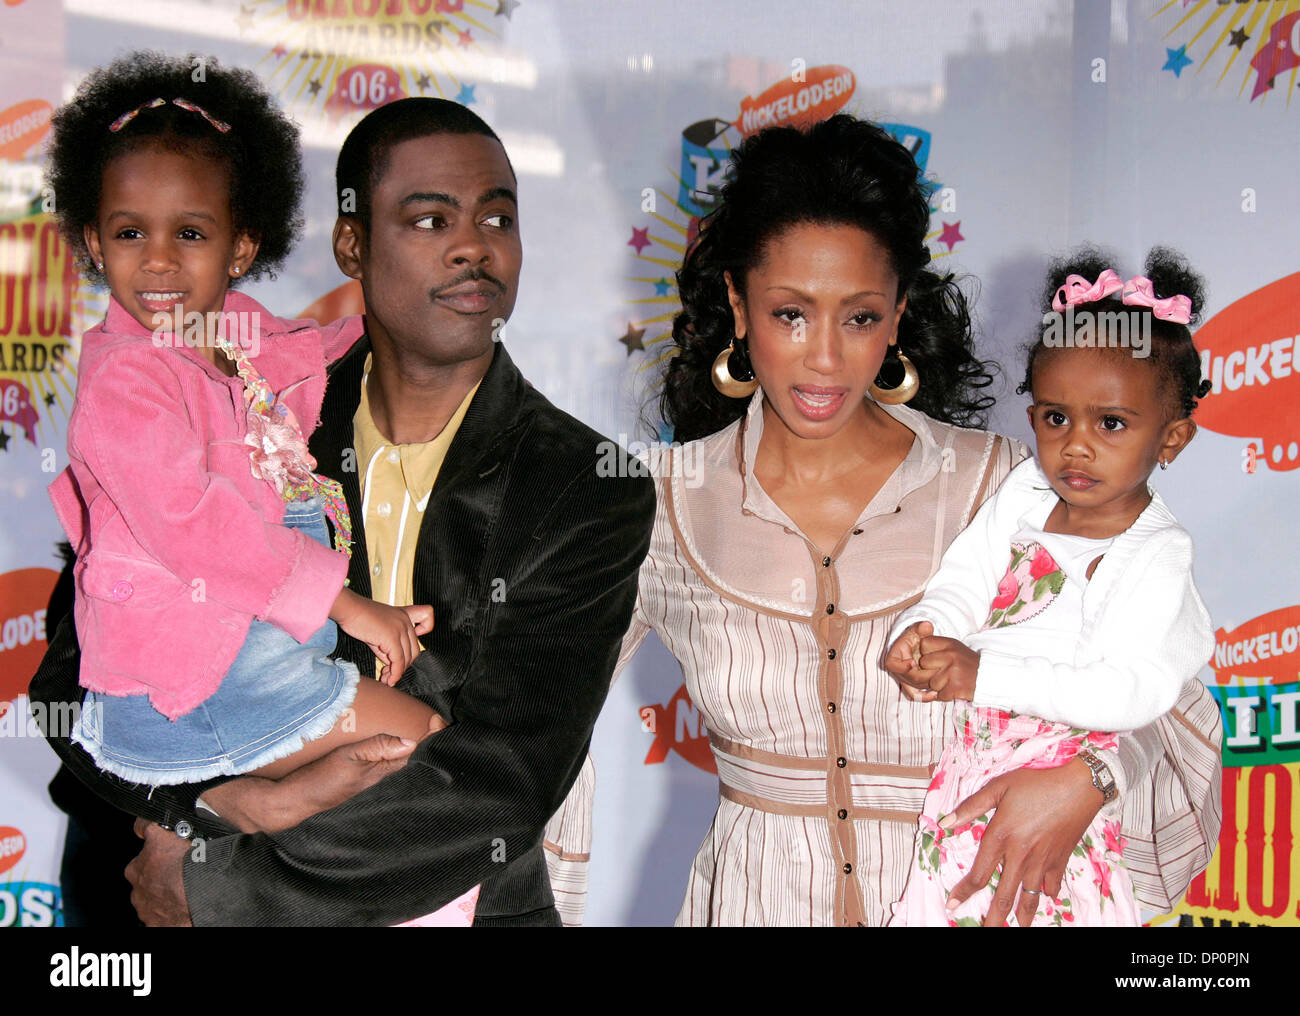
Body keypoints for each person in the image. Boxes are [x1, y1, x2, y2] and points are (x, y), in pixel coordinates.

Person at [544, 115, 1222, 927]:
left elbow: (1174, 698)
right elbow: (536, 714)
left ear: (898, 313)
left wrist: (1092, 779)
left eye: (860, 317)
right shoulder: (660, 502)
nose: (825, 358)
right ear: (737, 302)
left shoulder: (1010, 487)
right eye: (790, 313)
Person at [29, 94, 656, 926]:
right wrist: (224, 801)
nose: (473, 246)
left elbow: (504, 780)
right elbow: (71, 681)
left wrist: (227, 885)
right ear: (352, 243)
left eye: (497, 219)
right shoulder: (248, 406)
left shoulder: (587, 486)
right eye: (431, 220)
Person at [46, 53, 443, 792]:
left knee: (415, 765)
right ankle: (263, 806)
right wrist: (351, 607)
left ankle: (259, 811)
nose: (159, 261)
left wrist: (401, 318)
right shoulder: (125, 378)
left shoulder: (237, 334)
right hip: (192, 683)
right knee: (428, 751)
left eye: (190, 234)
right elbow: (195, 527)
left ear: (241, 246)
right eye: (131, 234)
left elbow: (316, 352)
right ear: (96, 243)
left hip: (250, 653)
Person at [886, 248, 1217, 926]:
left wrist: (983, 671)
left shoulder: (1156, 552)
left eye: (1112, 423)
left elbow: (1131, 692)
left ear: (1173, 437)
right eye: (1055, 417)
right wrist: (920, 635)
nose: (1076, 446)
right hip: (970, 759)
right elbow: (962, 582)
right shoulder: (1024, 492)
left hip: (1064, 780)